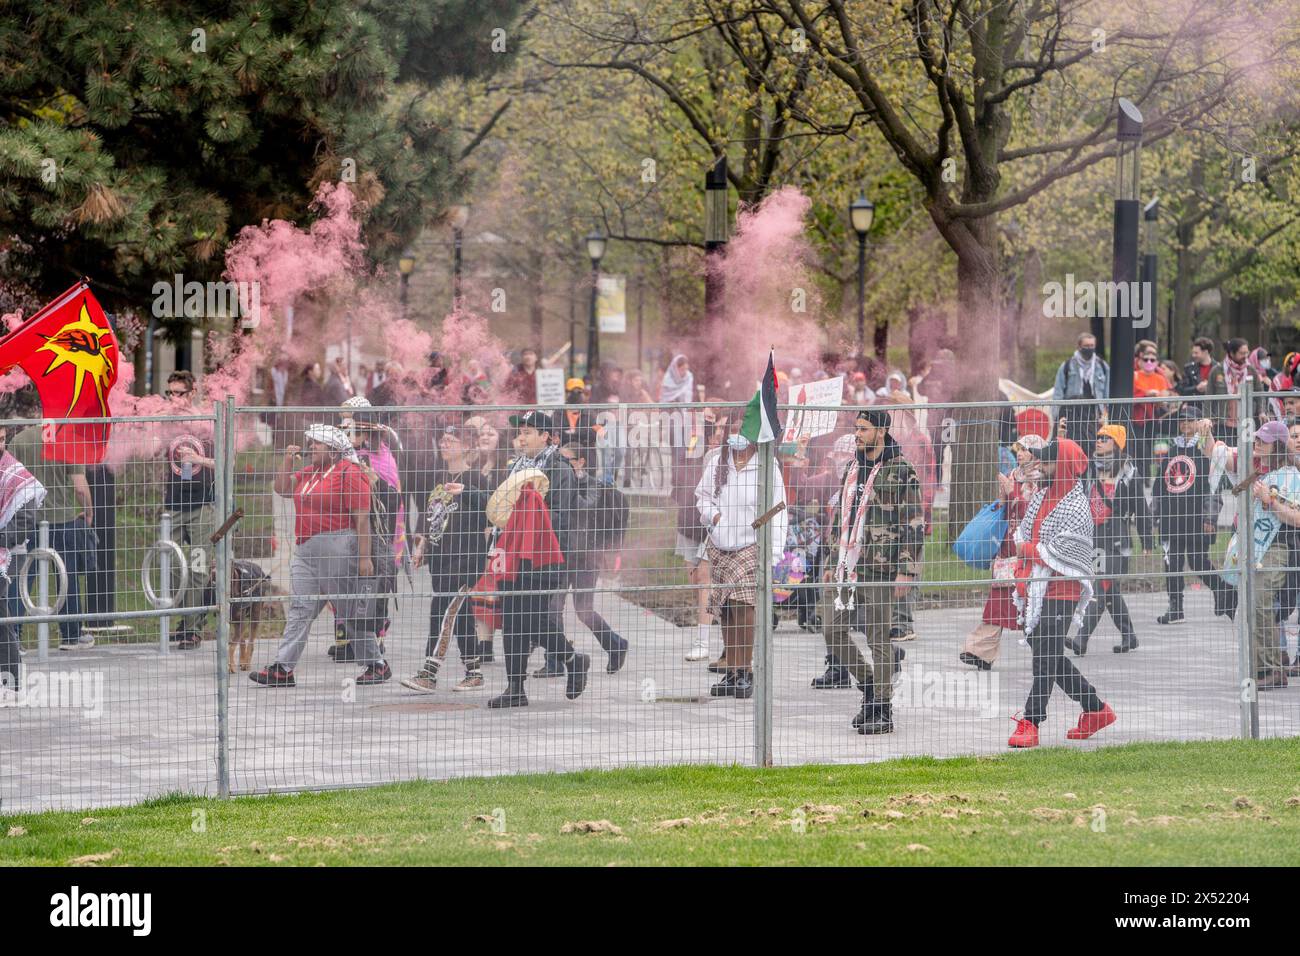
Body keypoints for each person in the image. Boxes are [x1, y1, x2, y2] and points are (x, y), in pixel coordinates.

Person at [249, 425, 390, 687]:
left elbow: (361, 519)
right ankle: (283, 668)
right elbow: (282, 488)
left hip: (338, 547)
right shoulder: (311, 472)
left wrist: (364, 557)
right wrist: (288, 460)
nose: (311, 446)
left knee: (348, 610)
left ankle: (376, 664)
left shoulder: (350, 472)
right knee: (300, 608)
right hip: (306, 552)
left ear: (335, 450)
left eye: (318, 444)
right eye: (311, 442)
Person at [1007, 438, 1117, 748]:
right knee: (1046, 653)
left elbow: (1064, 550)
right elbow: (1025, 533)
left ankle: (1031, 720)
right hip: (1038, 586)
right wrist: (1024, 562)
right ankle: (1096, 709)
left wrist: (1027, 550)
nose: (1041, 466)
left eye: (1048, 461)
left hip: (1063, 589)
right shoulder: (1041, 496)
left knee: (1044, 658)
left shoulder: (1076, 505)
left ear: (1065, 465)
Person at [819, 408, 922, 734]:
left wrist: (907, 570)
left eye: (863, 429)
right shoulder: (851, 468)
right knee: (832, 630)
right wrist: (829, 560)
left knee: (878, 637)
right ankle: (870, 685)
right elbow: (840, 518)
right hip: (845, 567)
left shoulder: (901, 470)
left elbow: (914, 524)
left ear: (881, 431)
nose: (857, 435)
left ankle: (882, 708)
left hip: (880, 566)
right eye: (856, 428)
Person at [486, 410, 591, 707]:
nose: (521, 437)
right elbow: (501, 504)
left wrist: (524, 518)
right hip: (513, 552)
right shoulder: (517, 466)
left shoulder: (558, 467)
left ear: (546, 436)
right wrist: (471, 494)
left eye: (529, 431)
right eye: (520, 431)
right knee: (512, 620)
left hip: (544, 556)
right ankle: (515, 688)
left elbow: (559, 516)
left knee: (530, 619)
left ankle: (572, 658)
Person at [694, 430, 788, 699]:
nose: (737, 435)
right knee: (725, 608)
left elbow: (778, 508)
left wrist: (774, 552)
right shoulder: (717, 463)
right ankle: (732, 670)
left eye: (743, 428)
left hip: (752, 543)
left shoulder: (766, 466)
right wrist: (713, 516)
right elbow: (702, 496)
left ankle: (745, 670)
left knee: (743, 603)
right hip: (722, 543)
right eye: (732, 428)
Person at [403, 423, 492, 692]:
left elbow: (491, 513)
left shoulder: (476, 479)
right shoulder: (437, 477)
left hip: (466, 560)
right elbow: (430, 517)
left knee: (440, 610)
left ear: (467, 447)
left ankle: (429, 672)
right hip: (441, 558)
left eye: (451, 440)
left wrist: (466, 492)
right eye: (442, 440)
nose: (444, 444)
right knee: (460, 613)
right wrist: (422, 547)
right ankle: (474, 671)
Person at [959, 433, 1044, 671]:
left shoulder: (1043, 479)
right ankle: (979, 651)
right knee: (998, 601)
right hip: (1007, 546)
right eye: (1018, 448)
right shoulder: (1012, 475)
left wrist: (1013, 494)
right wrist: (1005, 496)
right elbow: (1004, 508)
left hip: (1030, 548)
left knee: (1032, 602)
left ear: (1036, 453)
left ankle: (1047, 649)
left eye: (1026, 449)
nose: (1020, 453)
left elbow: (1037, 512)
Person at [9, 414, 95, 651]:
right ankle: (71, 635)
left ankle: (13, 635)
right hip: (62, 519)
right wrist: (88, 512)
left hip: (27, 518)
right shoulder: (67, 439)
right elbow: (79, 487)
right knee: (66, 576)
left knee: (22, 577)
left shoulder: (19, 440)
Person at [1066, 424, 1150, 655]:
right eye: (1099, 436)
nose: (1099, 440)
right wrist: (1061, 435)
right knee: (1109, 589)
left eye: (1106, 438)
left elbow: (1141, 509)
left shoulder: (1129, 474)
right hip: (1093, 538)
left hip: (1116, 541)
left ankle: (1081, 640)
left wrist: (1147, 542)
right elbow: (1068, 461)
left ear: (1117, 443)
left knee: (1099, 588)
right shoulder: (1090, 468)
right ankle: (1129, 636)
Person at [552, 435, 629, 673]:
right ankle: (554, 662)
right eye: (559, 462)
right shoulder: (559, 482)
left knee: (583, 609)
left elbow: (585, 506)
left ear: (581, 462)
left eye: (567, 461)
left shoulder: (592, 485)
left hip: (586, 556)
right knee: (552, 606)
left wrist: (574, 483)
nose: (562, 467)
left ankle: (615, 644)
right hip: (563, 554)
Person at [1153, 405, 1236, 623]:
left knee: (1198, 561)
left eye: (1190, 421)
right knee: (1172, 563)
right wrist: (1155, 515)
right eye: (1182, 421)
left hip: (1196, 518)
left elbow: (1214, 486)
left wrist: (1210, 517)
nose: (1185, 424)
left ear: (1199, 423)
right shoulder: (1172, 451)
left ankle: (1223, 590)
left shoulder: (1204, 452)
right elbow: (1159, 487)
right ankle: (1175, 607)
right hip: (1172, 519)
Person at [162, 371, 215, 650]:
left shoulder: (206, 422)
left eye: (179, 393)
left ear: (192, 393)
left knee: (197, 567)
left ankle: (192, 627)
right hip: (173, 505)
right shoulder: (166, 422)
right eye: (170, 392)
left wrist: (198, 459)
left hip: (201, 505)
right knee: (170, 565)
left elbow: (226, 462)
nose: (174, 398)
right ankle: (184, 618)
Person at [678, 404, 726, 663]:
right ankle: (707, 634)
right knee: (697, 578)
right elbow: (684, 485)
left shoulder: (724, 455)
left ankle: (706, 640)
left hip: (721, 528)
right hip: (691, 519)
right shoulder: (692, 449)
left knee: (706, 580)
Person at [0, 424, 44, 692]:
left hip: (5, 555)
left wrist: (2, 538)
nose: (0, 445)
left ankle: (10, 676)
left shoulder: (14, 473)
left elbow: (25, 520)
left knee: (1, 618)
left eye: (2, 439)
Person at [1052, 332, 1109, 446]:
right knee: (1072, 444)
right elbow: (1058, 393)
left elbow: (1107, 392)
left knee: (1093, 445)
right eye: (1086, 346)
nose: (1089, 349)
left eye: (1092, 346)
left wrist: (1106, 414)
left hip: (1095, 415)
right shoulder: (1067, 366)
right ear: (1079, 346)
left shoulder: (1102, 366)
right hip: (1073, 414)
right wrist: (1057, 416)